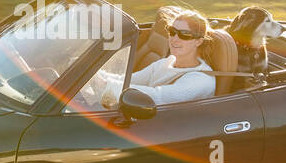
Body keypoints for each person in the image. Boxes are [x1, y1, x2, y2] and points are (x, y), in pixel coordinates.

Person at [80, 9, 217, 109]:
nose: (174, 38)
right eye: (172, 31)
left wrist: (105, 85)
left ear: (198, 41)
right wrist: (92, 73)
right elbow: (129, 80)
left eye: (184, 35)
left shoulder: (201, 80)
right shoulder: (166, 63)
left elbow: (158, 97)